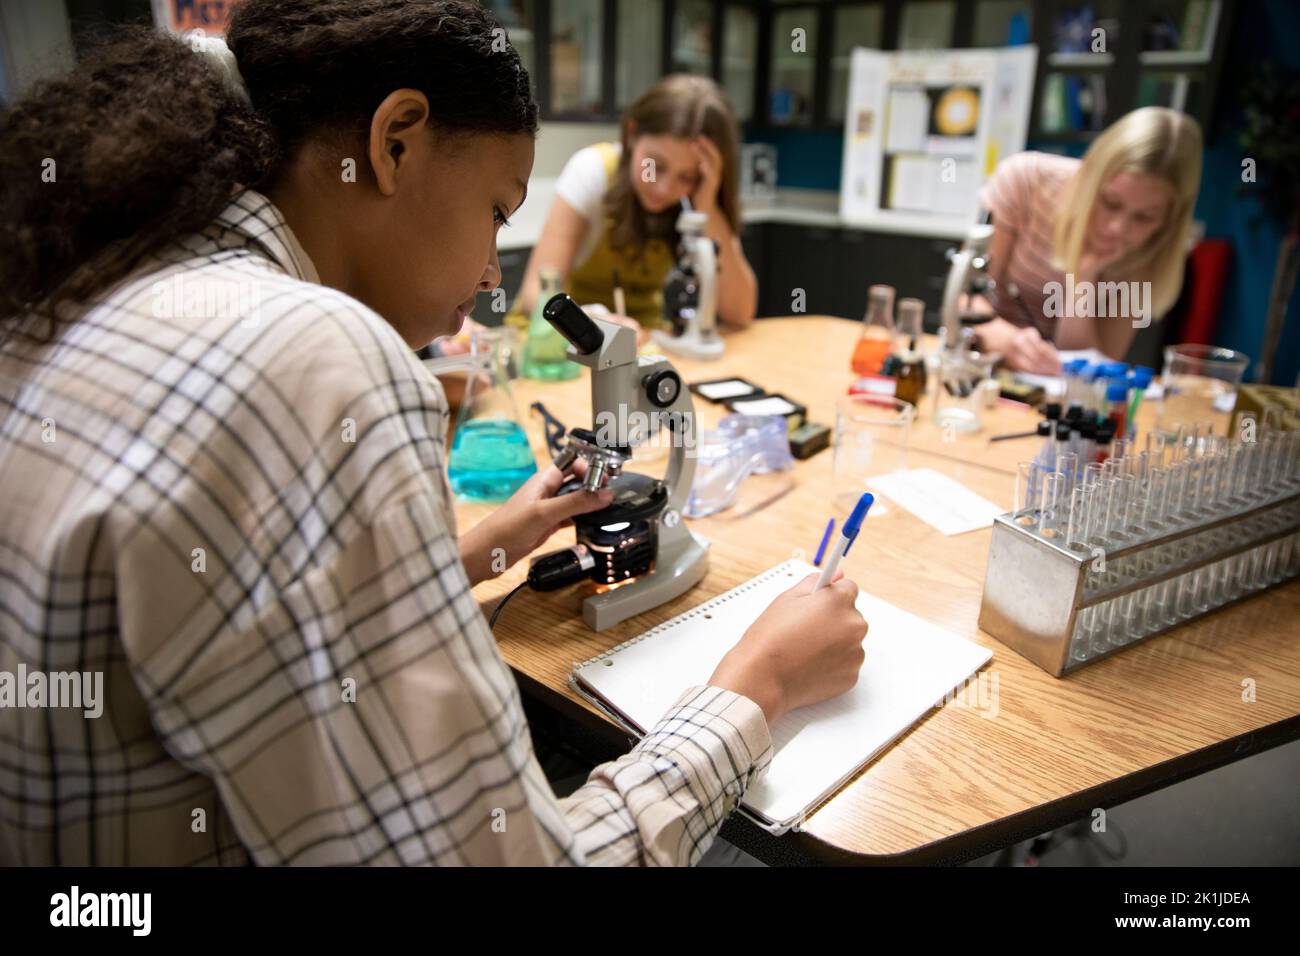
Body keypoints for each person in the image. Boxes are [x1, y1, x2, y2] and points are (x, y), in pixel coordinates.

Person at [0, 0, 866, 866]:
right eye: (497, 209)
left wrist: (483, 547)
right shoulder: (312, 361)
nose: (494, 269)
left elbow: (252, 626)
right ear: (396, 140)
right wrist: (762, 681)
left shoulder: (94, 283)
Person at [507, 73, 759, 337]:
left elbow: (739, 313)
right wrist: (596, 321)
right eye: (655, 166)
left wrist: (707, 206)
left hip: (643, 340)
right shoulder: (592, 172)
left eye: (687, 176)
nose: (665, 189)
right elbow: (534, 296)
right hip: (559, 341)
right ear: (631, 134)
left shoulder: (698, 198)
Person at [973, 107, 1203, 373]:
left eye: (1144, 217)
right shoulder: (1026, 181)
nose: (1118, 228)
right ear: (1090, 174)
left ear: (1168, 222)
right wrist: (1010, 342)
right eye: (1110, 202)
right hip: (983, 372)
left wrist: (1084, 277)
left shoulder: (1149, 250)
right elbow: (966, 301)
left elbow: (1092, 366)